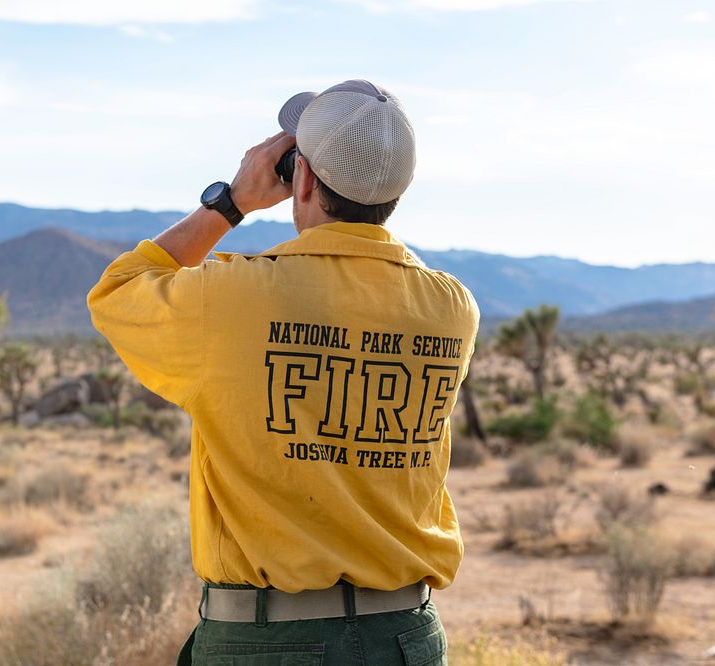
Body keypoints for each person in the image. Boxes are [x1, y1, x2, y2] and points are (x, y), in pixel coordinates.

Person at [88, 79, 480, 665]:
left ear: (302, 177)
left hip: (269, 643)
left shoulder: (232, 298)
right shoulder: (452, 307)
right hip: (406, 636)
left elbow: (117, 291)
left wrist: (232, 202)